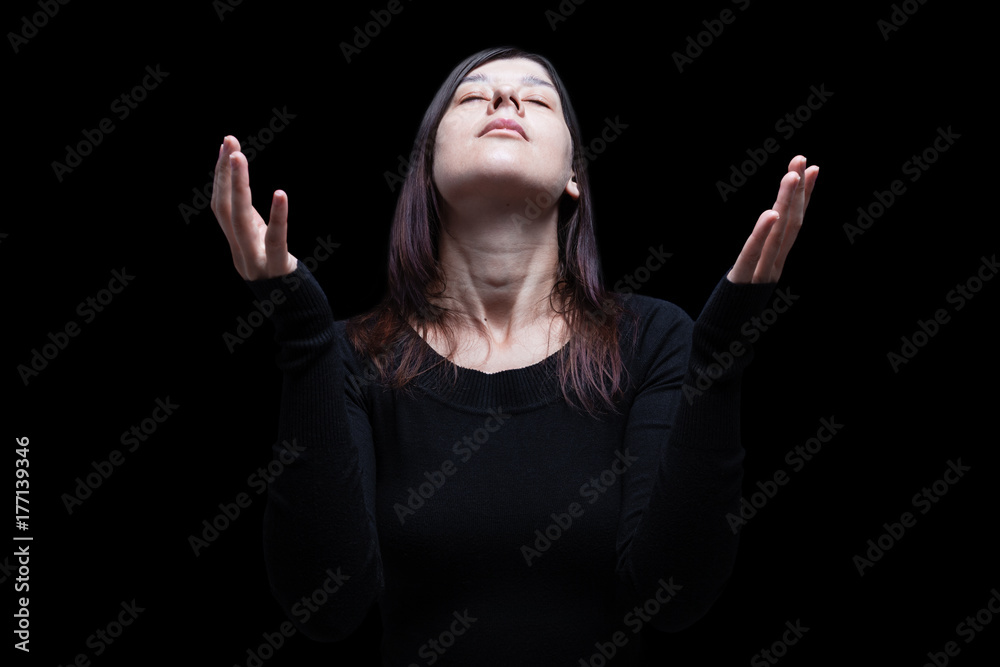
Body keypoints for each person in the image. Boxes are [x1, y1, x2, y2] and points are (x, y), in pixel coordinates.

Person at [210, 46, 818, 665]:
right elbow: (324, 609)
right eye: (473, 96)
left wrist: (718, 359)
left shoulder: (654, 338)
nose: (505, 100)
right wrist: (303, 330)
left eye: (537, 96)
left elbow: (674, 599)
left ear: (573, 173)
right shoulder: (351, 356)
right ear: (426, 167)